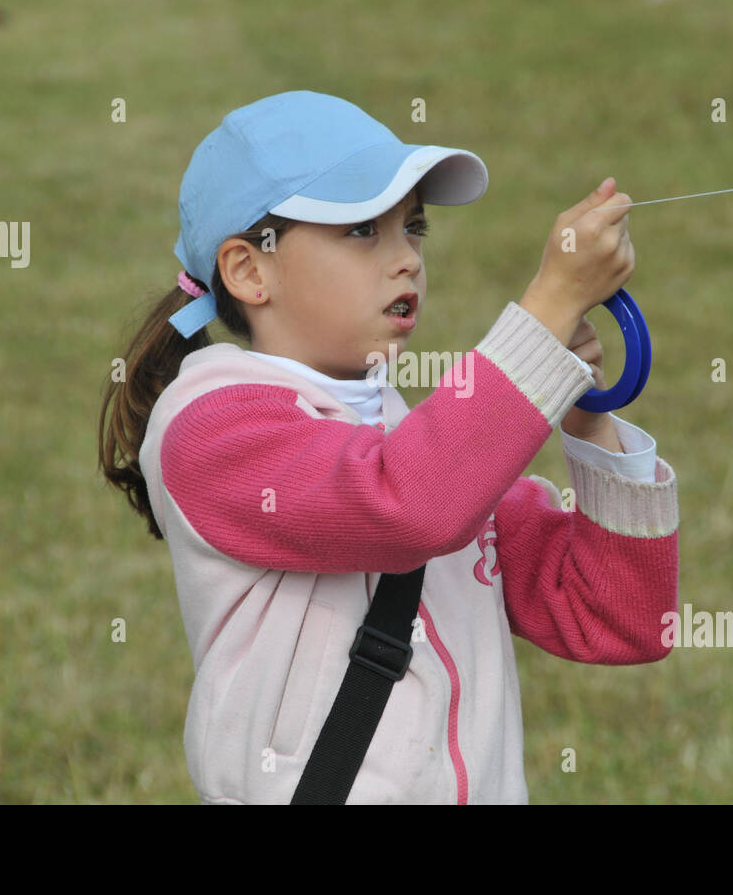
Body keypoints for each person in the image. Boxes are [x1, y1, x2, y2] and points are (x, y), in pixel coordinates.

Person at [97, 90, 679, 804]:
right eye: (363, 230)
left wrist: (589, 424)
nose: (406, 258)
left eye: (413, 229)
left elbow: (619, 617)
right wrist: (548, 308)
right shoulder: (212, 429)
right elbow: (407, 504)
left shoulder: (435, 448)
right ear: (251, 270)